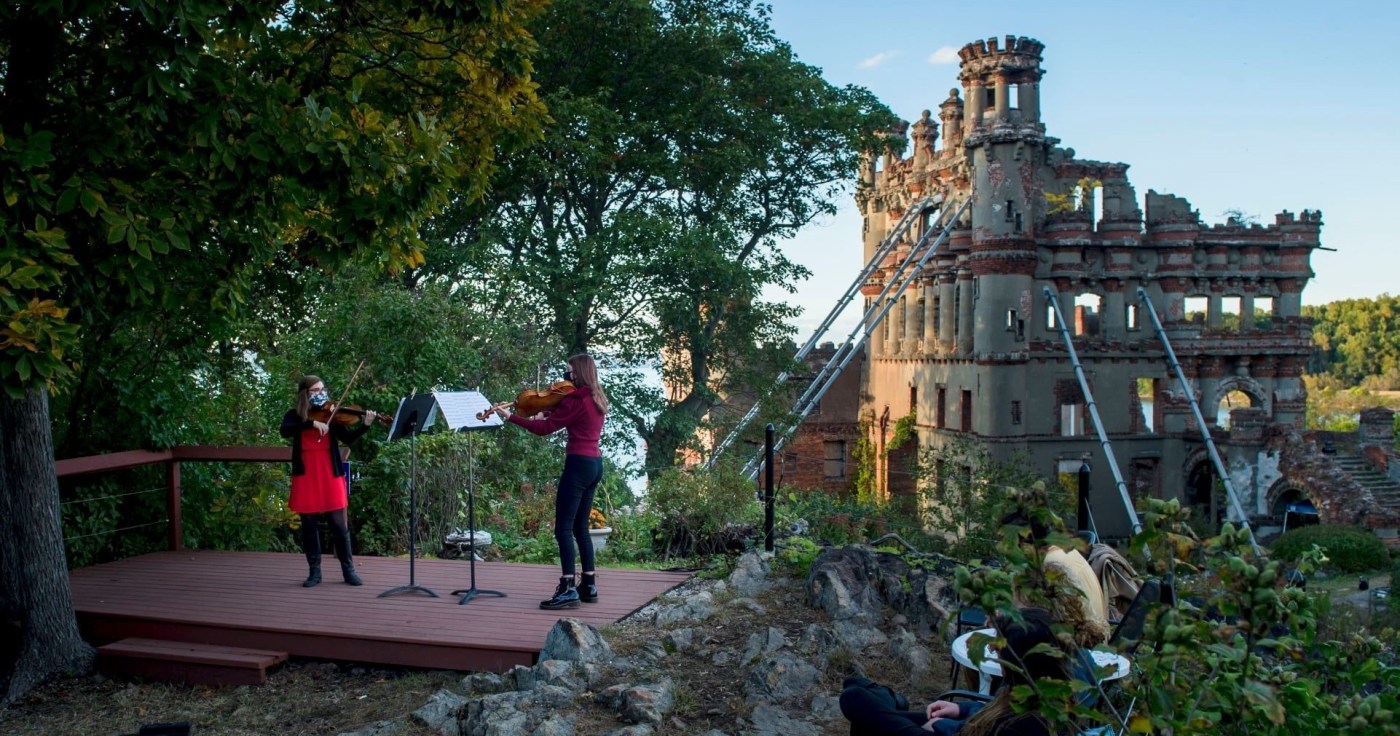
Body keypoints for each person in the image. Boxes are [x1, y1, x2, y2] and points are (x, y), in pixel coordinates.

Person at [493, 353, 609, 610]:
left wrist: (510, 416)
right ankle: (588, 584)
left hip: (578, 464)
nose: (566, 376)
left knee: (563, 529)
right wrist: (545, 411)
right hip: (595, 464)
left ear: (578, 373)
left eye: (569, 371)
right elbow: (564, 415)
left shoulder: (575, 400)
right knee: (581, 528)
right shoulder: (596, 397)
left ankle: (567, 588)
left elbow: (544, 430)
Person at [840, 607, 1068, 735]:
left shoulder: (1031, 724)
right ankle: (887, 699)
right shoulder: (1036, 689)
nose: (995, 653)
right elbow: (993, 709)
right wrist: (960, 707)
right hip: (966, 725)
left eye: (999, 650)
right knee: (861, 709)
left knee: (854, 696)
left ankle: (888, 697)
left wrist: (941, 725)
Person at [280, 375, 377, 588]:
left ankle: (348, 571)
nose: (321, 393)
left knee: (338, 525)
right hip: (306, 475)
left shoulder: (332, 413)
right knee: (309, 525)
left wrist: (366, 425)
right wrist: (311, 423)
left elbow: (349, 439)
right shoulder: (294, 415)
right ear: (305, 394)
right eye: (315, 390)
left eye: (323, 389)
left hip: (329, 474)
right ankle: (315, 573)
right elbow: (285, 430)